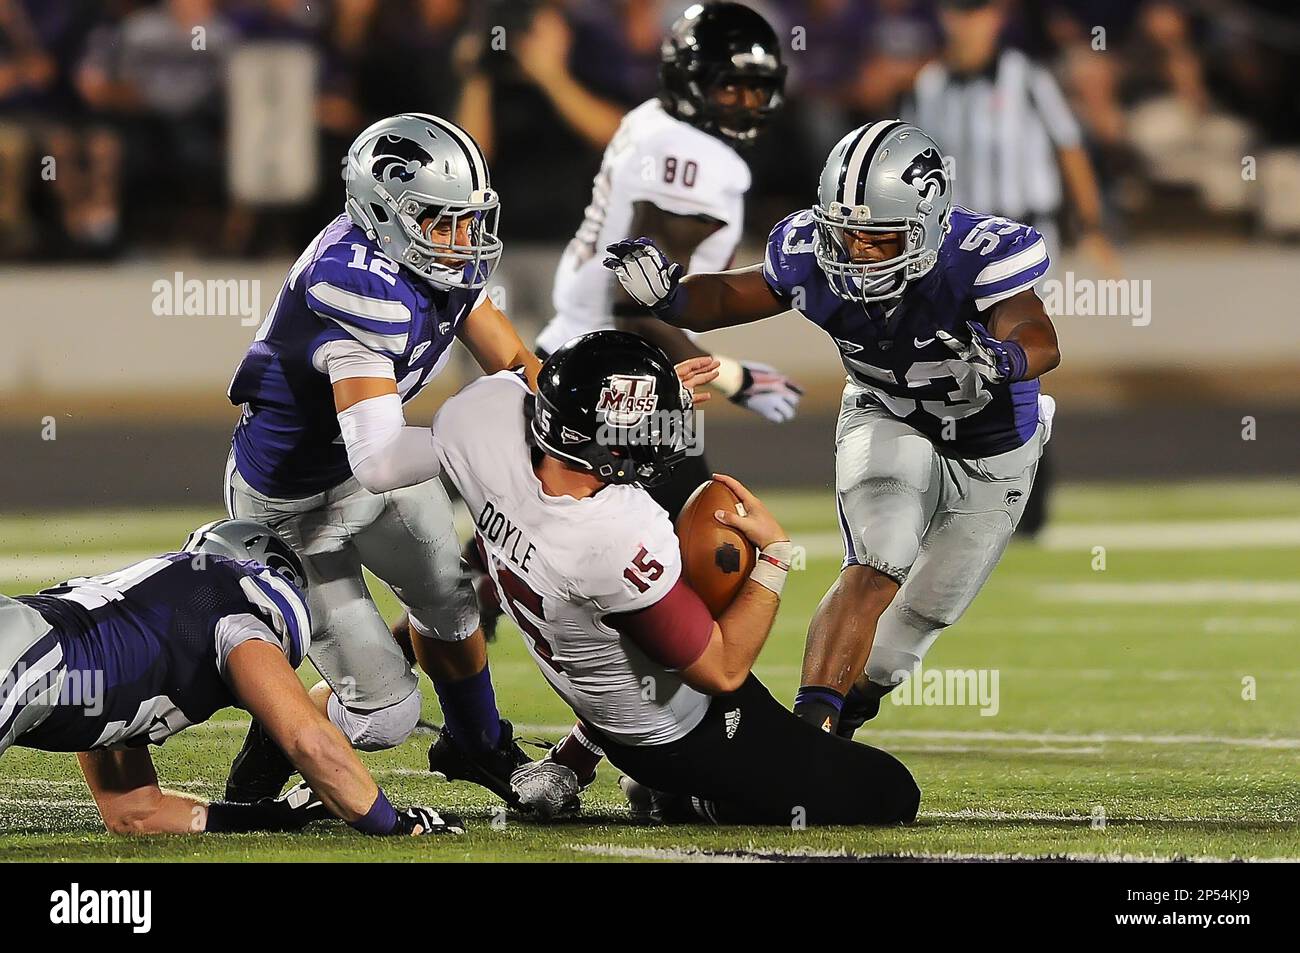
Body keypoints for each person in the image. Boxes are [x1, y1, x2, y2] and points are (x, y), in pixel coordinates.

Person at [603, 120, 1060, 738]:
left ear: (926, 224)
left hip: (995, 449)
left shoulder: (980, 254)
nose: (856, 252)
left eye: (878, 237)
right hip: (888, 412)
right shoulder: (809, 254)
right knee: (879, 558)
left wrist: (1004, 360)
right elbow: (739, 295)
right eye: (844, 234)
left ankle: (832, 733)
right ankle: (802, 737)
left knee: (908, 634)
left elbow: (1037, 335)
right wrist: (672, 300)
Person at [433, 330, 920, 825]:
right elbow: (722, 671)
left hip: (612, 696)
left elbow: (540, 385)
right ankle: (684, 799)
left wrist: (641, 398)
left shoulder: (480, 428)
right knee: (891, 793)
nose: (663, 433)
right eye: (646, 426)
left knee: (619, 631)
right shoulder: (616, 535)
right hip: (678, 736)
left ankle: (575, 756)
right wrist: (774, 556)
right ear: (603, 443)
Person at [222, 112, 556, 809]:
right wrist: (487, 451)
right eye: (442, 221)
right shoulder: (353, 284)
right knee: (383, 713)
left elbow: (519, 365)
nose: (462, 240)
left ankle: (476, 741)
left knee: (450, 601)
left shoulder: (426, 259)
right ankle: (280, 732)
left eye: (467, 221)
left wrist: (576, 412)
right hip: (293, 508)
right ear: (384, 213)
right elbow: (379, 458)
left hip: (367, 466)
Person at [0, 519, 459, 837]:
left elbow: (134, 814)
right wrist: (392, 822)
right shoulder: (233, 606)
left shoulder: (136, 638)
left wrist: (273, 816)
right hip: (22, 660)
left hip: (23, 645)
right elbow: (310, 742)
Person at [535, 2, 804, 520]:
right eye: (730, 86)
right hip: (617, 382)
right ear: (691, 81)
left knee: (544, 536)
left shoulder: (653, 119)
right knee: (701, 538)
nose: (747, 102)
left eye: (757, 87)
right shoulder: (695, 158)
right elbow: (638, 305)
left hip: (575, 356)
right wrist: (734, 378)